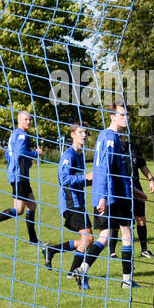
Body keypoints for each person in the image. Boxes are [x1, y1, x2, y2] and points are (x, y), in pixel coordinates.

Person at [77, 102, 143, 289]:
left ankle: (81, 270)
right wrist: (104, 197)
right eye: (122, 115)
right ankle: (126, 281)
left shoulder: (106, 136)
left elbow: (118, 170)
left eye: (127, 115)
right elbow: (104, 168)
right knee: (127, 233)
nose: (126, 118)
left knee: (104, 237)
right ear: (112, 116)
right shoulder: (111, 138)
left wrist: (134, 190)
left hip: (108, 193)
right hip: (114, 195)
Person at [43, 123, 94, 290]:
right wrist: (85, 177)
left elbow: (78, 180)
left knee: (85, 241)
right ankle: (72, 271)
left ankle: (52, 252)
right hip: (71, 202)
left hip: (78, 202)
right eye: (80, 132)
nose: (84, 135)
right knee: (88, 239)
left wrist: (91, 181)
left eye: (86, 132)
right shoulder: (69, 155)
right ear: (72, 134)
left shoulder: (80, 155)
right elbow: (64, 179)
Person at [0, 110, 42, 245]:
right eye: (25, 119)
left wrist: (23, 164)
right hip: (19, 176)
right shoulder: (22, 135)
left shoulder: (14, 135)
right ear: (18, 121)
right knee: (18, 210)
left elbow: (8, 155)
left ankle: (33, 240)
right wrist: (35, 153)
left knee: (32, 206)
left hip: (18, 175)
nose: (28, 122)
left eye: (30, 119)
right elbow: (20, 153)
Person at [131, 142, 154, 258]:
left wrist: (151, 179)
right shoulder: (113, 145)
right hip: (120, 187)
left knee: (141, 218)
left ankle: (144, 250)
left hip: (136, 186)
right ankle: (112, 253)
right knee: (119, 222)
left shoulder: (133, 146)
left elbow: (142, 165)